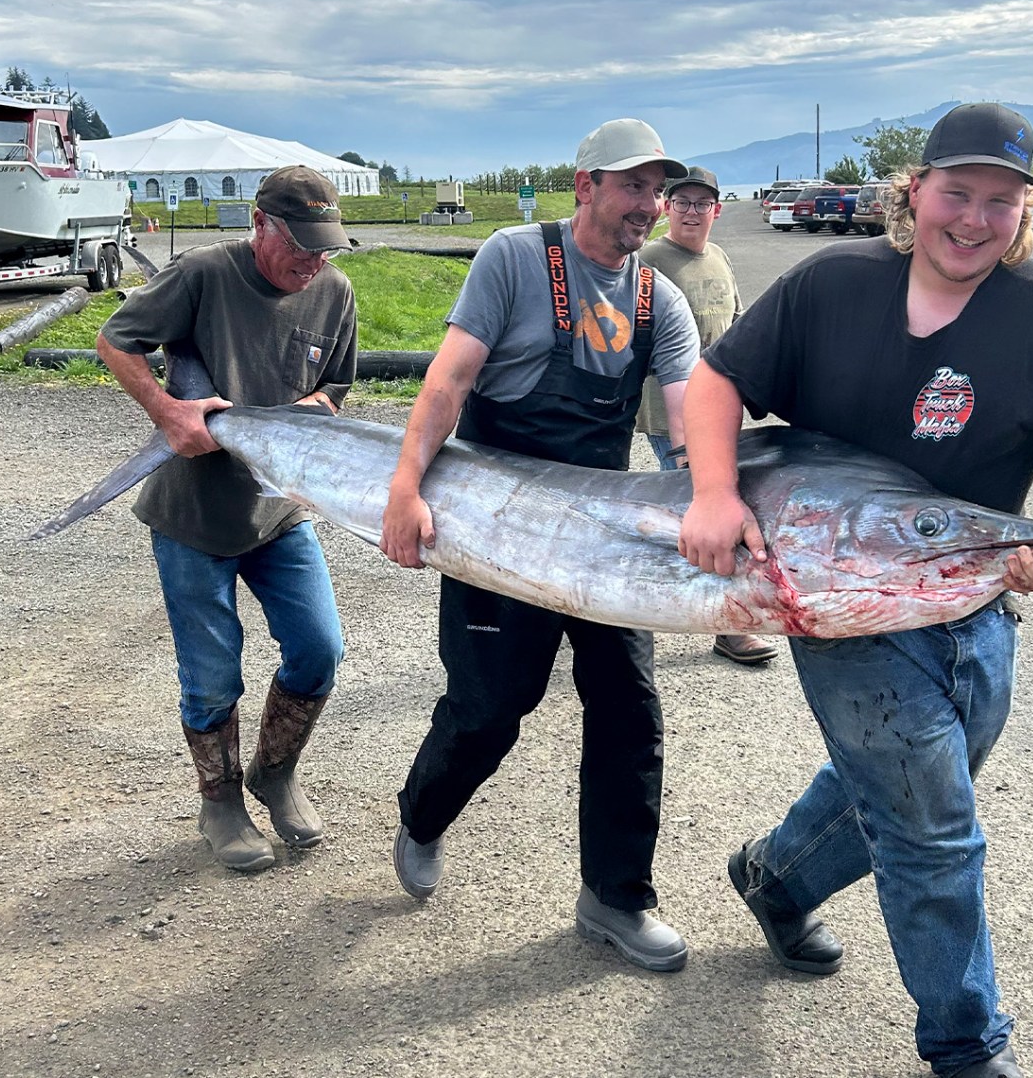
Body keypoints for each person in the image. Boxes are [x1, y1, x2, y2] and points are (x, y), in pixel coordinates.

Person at [678, 103, 1033, 1078]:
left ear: (1028, 208)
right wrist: (714, 493)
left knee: (914, 785)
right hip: (840, 607)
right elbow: (717, 381)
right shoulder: (832, 285)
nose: (973, 219)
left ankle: (777, 877)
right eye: (956, 194)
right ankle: (968, 1050)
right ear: (913, 191)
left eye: (1000, 202)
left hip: (978, 597)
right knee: (933, 831)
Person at [379, 119, 701, 972]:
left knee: (630, 713)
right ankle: (422, 814)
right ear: (584, 184)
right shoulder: (515, 257)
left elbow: (681, 424)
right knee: (491, 709)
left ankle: (615, 899)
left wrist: (704, 500)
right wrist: (407, 490)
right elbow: (448, 380)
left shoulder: (657, 300)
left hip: (604, 539)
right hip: (498, 528)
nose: (649, 205)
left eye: (658, 189)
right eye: (633, 185)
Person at [96, 165, 357, 873]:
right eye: (299, 245)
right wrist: (168, 412)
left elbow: (337, 384)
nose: (312, 262)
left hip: (277, 516)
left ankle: (275, 774)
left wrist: (316, 414)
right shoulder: (206, 274)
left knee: (319, 649)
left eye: (324, 247)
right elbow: (117, 341)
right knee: (211, 677)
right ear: (259, 225)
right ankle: (220, 799)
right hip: (191, 518)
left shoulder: (334, 291)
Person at [633, 164, 779, 667]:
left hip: (718, 412)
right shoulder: (649, 260)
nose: (692, 212)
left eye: (702, 204)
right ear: (667, 208)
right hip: (667, 411)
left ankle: (620, 606)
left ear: (716, 210)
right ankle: (727, 626)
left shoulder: (718, 256)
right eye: (682, 202)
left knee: (703, 508)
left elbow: (734, 328)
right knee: (708, 512)